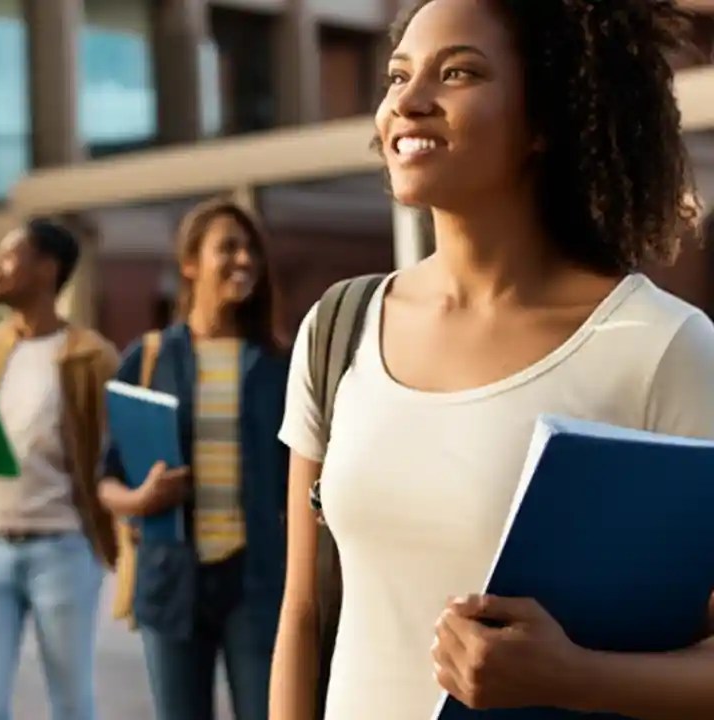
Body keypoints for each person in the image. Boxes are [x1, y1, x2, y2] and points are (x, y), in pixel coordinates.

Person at [270, 2, 714, 719]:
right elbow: (301, 615)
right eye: (397, 75)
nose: (407, 103)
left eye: (458, 73)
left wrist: (572, 676)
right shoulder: (339, 327)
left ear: (545, 117)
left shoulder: (660, 347)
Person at [99, 198, 288, 720]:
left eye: (251, 249)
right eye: (227, 247)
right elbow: (107, 478)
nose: (244, 259)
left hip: (258, 580)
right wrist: (140, 498)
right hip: (171, 580)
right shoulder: (150, 357)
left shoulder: (280, 364)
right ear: (189, 263)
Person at [0, 219, 119, 720]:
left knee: (71, 703)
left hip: (62, 548)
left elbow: (112, 456)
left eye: (9, 256)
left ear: (47, 269)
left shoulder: (93, 357)